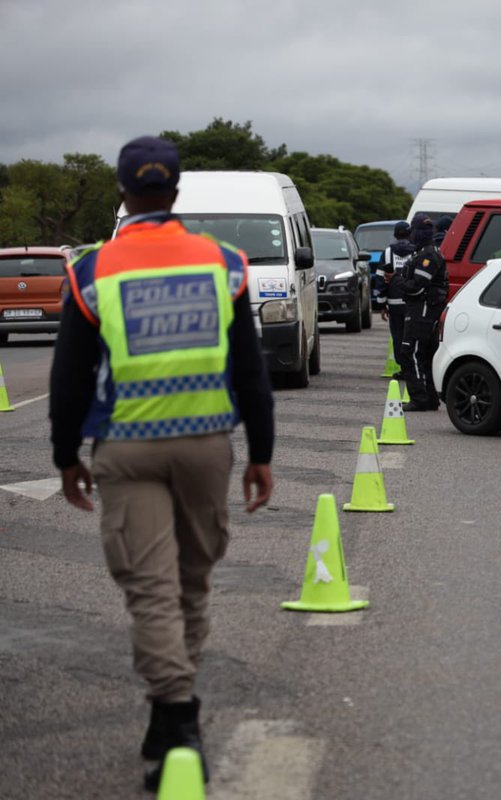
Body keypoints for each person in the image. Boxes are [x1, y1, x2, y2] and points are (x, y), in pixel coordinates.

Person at [48, 136, 275, 790]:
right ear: (175, 192)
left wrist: (65, 456)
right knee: (191, 583)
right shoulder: (223, 264)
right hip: (206, 446)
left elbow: (69, 378)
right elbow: (250, 370)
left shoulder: (91, 270)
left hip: (127, 448)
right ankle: (173, 711)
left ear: (123, 194)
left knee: (151, 589)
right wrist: (261, 454)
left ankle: (174, 716)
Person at [397, 213, 449, 410]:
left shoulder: (428, 255)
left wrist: (396, 280)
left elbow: (418, 287)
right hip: (424, 310)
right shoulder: (426, 252)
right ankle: (429, 398)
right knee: (425, 355)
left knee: (410, 352)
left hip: (422, 311)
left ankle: (420, 398)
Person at [380, 221, 414, 378]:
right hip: (411, 303)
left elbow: (381, 279)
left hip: (394, 305)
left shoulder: (387, 253)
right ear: (410, 234)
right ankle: (412, 368)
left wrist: (382, 304)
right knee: (411, 336)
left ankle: (403, 368)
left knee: (398, 336)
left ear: (395, 235)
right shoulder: (416, 252)